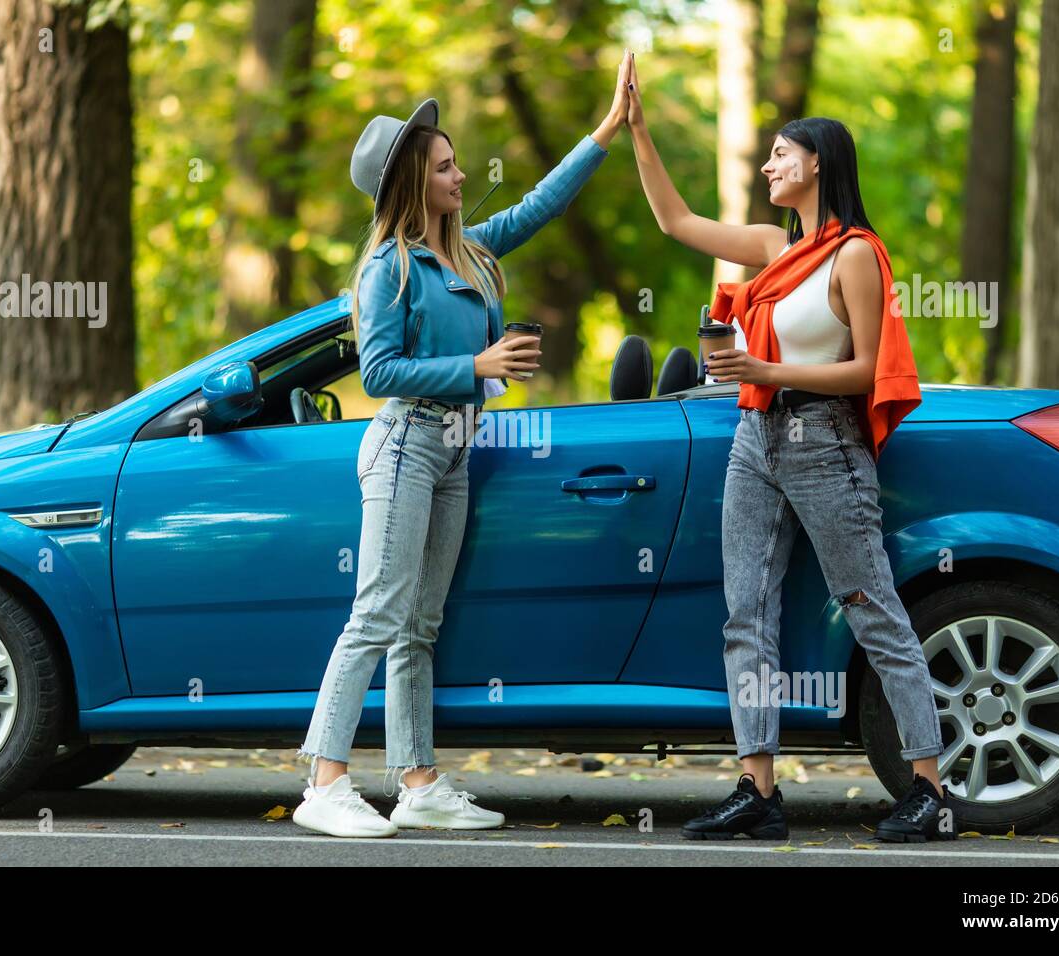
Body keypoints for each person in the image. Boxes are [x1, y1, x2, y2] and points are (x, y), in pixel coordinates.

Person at [291, 54, 634, 838]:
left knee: (421, 625)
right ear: (413, 181)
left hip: (453, 449)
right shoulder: (389, 267)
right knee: (376, 613)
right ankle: (325, 781)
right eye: (445, 166)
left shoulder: (469, 250)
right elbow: (376, 371)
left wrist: (606, 131)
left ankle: (417, 784)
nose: (459, 172)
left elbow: (538, 206)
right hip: (405, 444)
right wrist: (475, 366)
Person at [622, 52, 954, 843]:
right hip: (756, 439)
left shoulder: (855, 255)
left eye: (782, 153)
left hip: (826, 442)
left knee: (871, 607)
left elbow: (871, 367)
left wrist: (764, 366)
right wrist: (636, 129)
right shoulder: (775, 246)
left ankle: (931, 789)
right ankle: (757, 787)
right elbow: (676, 221)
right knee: (746, 613)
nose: (770, 163)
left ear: (820, 163)